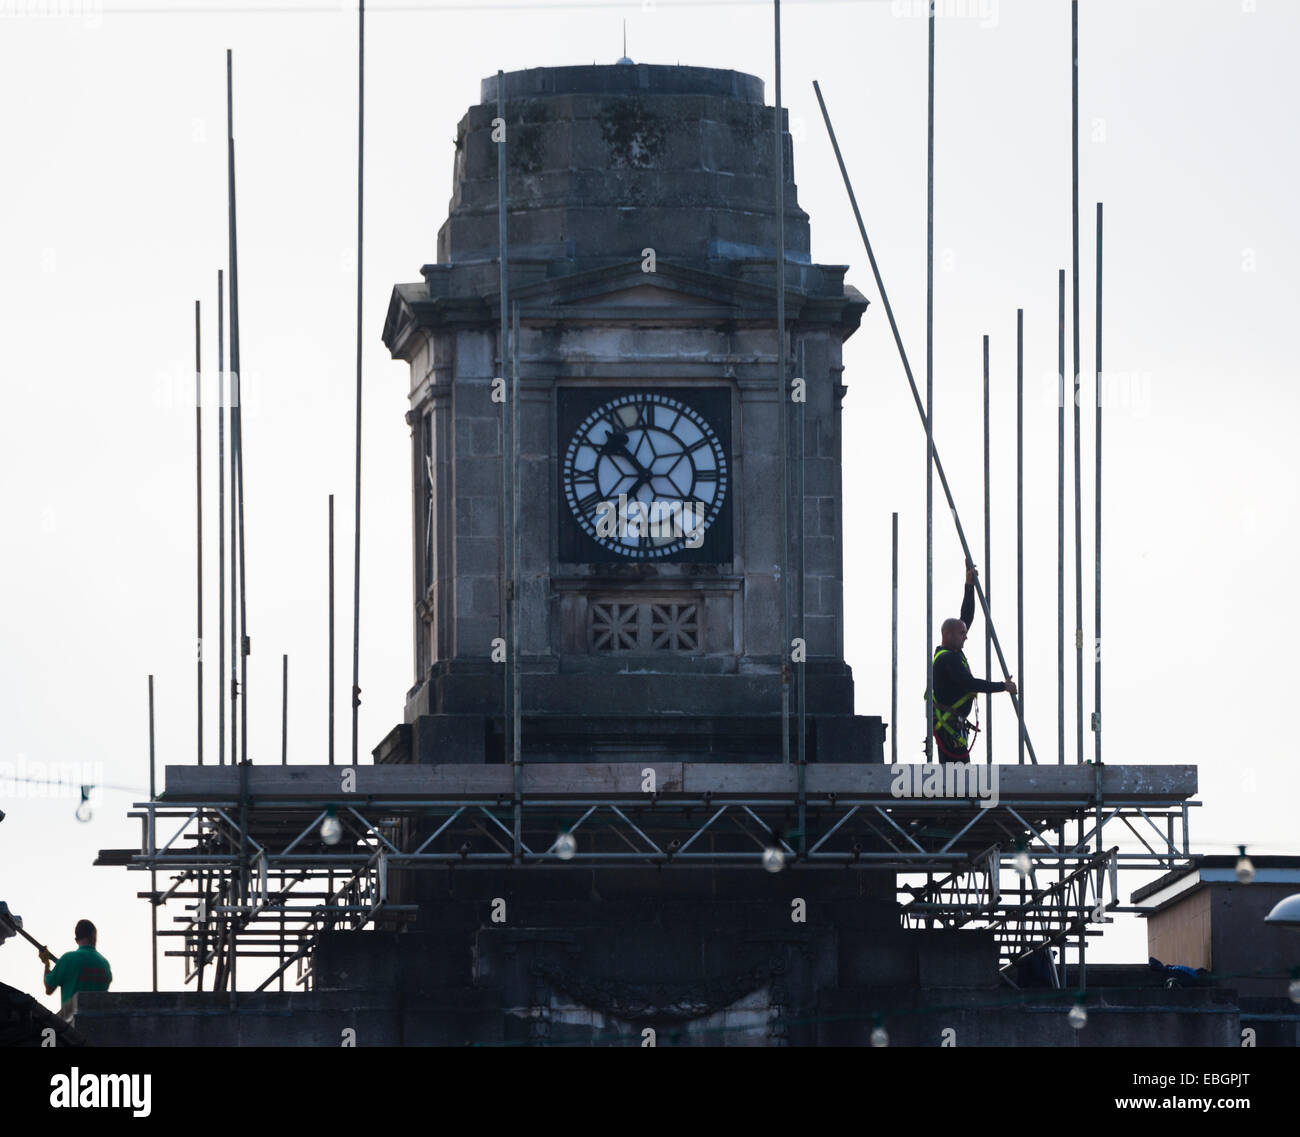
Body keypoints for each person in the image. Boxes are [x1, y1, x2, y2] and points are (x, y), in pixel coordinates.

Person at [927, 566, 1017, 762]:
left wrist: (969, 585)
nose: (966, 637)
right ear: (948, 635)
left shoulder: (950, 651)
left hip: (953, 725)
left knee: (959, 776)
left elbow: (966, 617)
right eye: (962, 634)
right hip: (948, 727)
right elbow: (970, 684)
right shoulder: (947, 659)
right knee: (958, 777)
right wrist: (1003, 686)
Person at [41, 919, 112, 1010]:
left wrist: (46, 964)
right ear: (94, 935)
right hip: (100, 1021)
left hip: (71, 1021)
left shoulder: (68, 959)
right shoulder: (105, 964)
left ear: (76, 939)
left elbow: (49, 989)